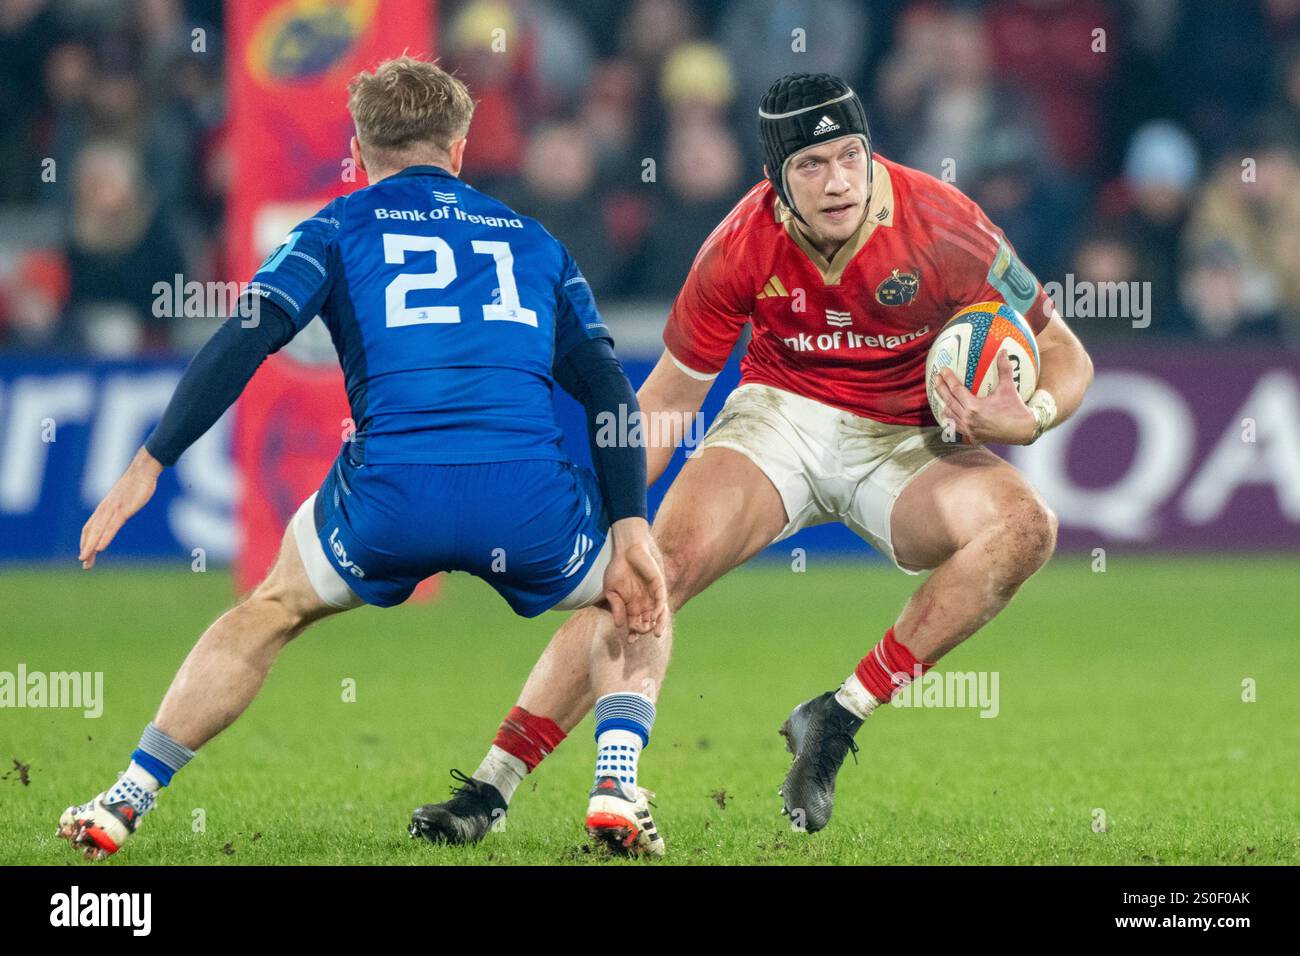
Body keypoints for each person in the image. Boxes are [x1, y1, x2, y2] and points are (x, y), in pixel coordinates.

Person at [427, 72, 1093, 848]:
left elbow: (1061, 349)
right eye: (811, 165)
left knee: (1025, 528)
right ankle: (490, 788)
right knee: (649, 571)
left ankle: (837, 717)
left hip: (912, 436)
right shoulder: (740, 243)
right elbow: (669, 398)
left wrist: (1035, 412)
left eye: (850, 155)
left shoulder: (948, 224)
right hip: (782, 419)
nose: (839, 181)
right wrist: (601, 516)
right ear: (777, 178)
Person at [56, 56, 668, 861]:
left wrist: (150, 462)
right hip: (529, 505)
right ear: (458, 149)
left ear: (360, 148)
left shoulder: (336, 229)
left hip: (389, 503)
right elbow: (605, 388)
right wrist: (629, 528)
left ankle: (127, 797)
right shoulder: (533, 242)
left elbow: (245, 339)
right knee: (639, 600)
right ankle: (615, 781)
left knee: (268, 611)